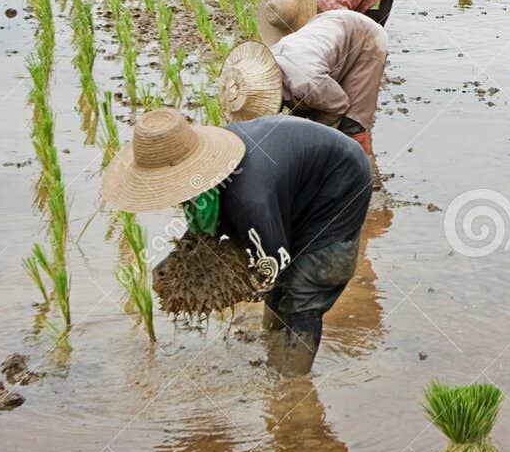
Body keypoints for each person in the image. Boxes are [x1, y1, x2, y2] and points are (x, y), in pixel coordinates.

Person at [99, 107, 370, 371]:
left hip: (340, 179)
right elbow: (204, 230)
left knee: (305, 290)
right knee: (279, 290)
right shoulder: (205, 184)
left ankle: (293, 390)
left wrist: (215, 292)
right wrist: (174, 264)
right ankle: (274, 348)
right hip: (291, 181)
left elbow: (273, 265)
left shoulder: (249, 199)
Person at [224, 0, 388, 156]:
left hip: (365, 39)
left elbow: (339, 104)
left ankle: (367, 175)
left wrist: (314, 136)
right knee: (310, 110)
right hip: (328, 30)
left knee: (352, 123)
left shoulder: (306, 82)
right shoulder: (270, 63)